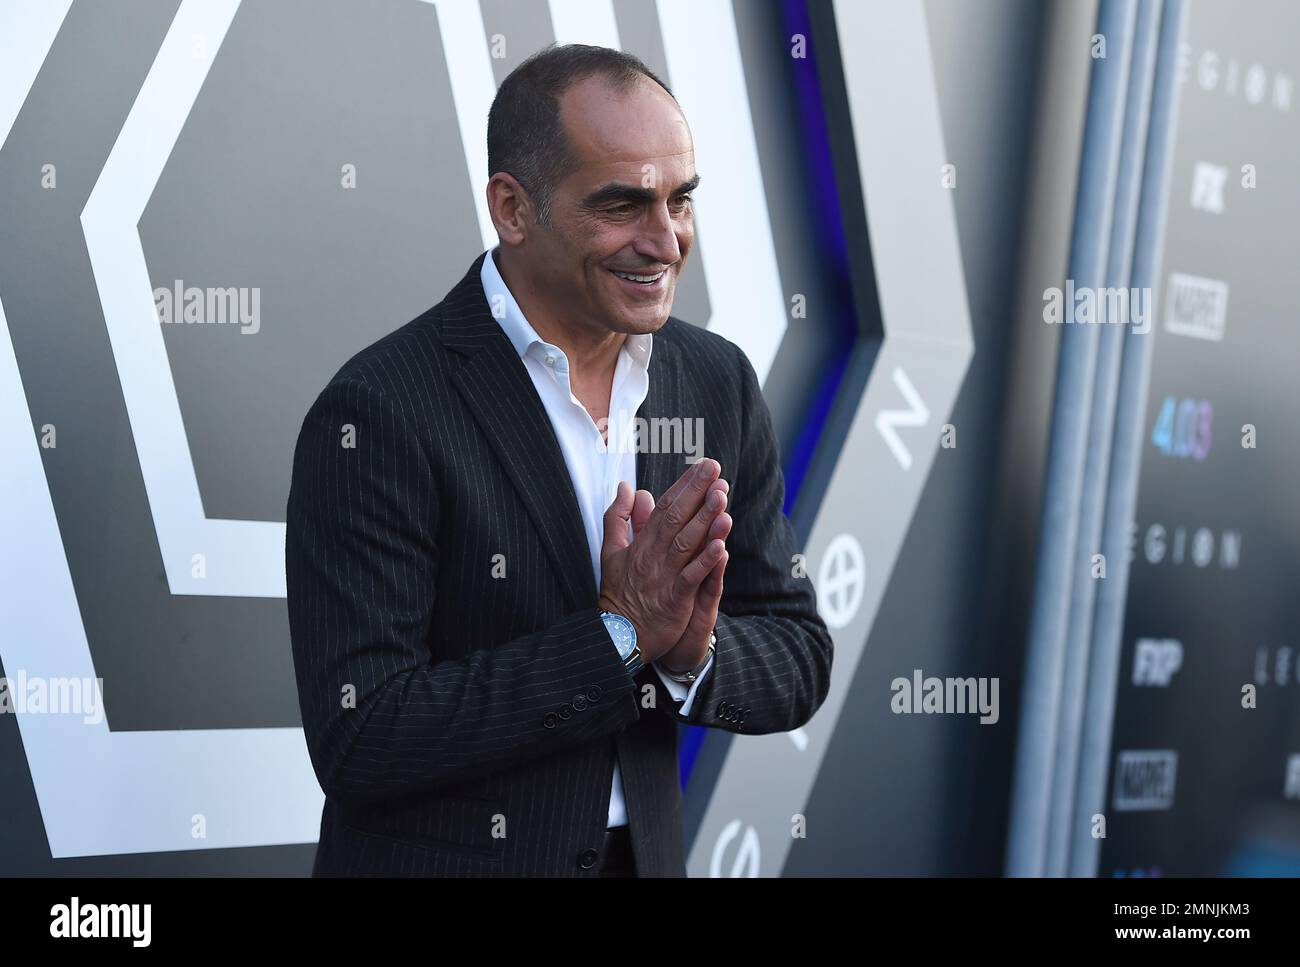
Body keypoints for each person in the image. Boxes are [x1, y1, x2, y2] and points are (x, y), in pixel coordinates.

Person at [285, 43, 832, 877]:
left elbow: (797, 651)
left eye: (679, 200)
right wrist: (619, 637)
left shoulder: (715, 379)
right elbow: (364, 734)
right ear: (513, 208)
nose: (666, 241)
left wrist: (690, 653)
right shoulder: (381, 409)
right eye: (622, 205)